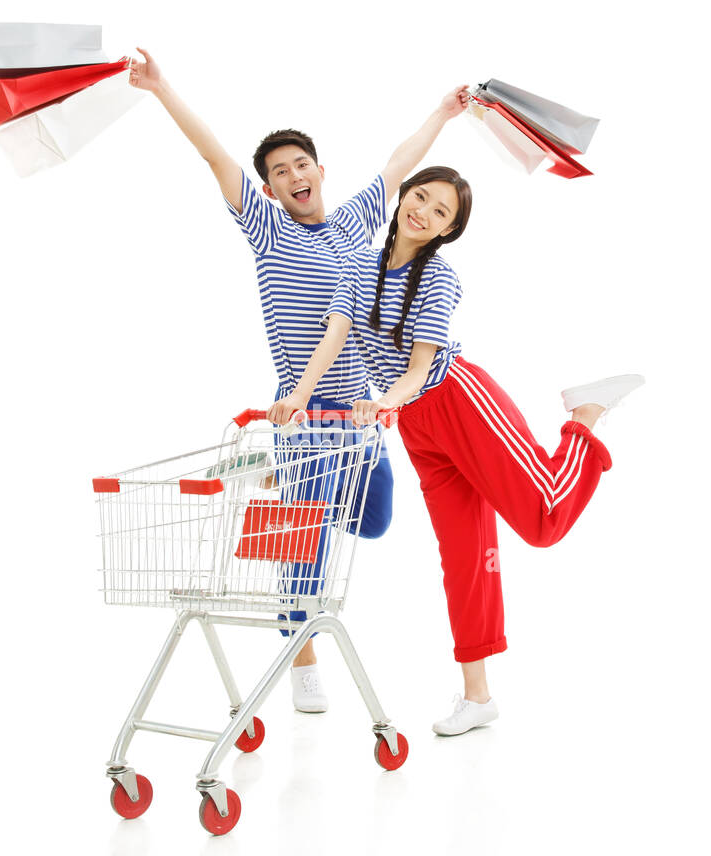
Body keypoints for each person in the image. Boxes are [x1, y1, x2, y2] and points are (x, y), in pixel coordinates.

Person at [127, 50, 468, 713]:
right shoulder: (269, 230)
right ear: (270, 190)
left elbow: (398, 165)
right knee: (306, 549)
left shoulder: (356, 224)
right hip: (303, 414)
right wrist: (161, 87)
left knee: (376, 520)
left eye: (301, 164)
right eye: (279, 172)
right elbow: (215, 156)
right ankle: (301, 659)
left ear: (320, 171)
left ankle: (286, 500)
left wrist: (442, 113)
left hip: (363, 413)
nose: (293, 176)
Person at [269, 166, 645, 735]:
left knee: (543, 522)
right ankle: (478, 697)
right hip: (417, 426)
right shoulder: (359, 267)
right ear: (404, 197)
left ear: (448, 229)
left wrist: (384, 401)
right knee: (465, 555)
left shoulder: (439, 278)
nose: (423, 212)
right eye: (420, 197)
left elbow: (420, 368)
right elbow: (335, 336)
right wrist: (299, 394)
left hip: (458, 401)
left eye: (440, 211)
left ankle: (585, 417)